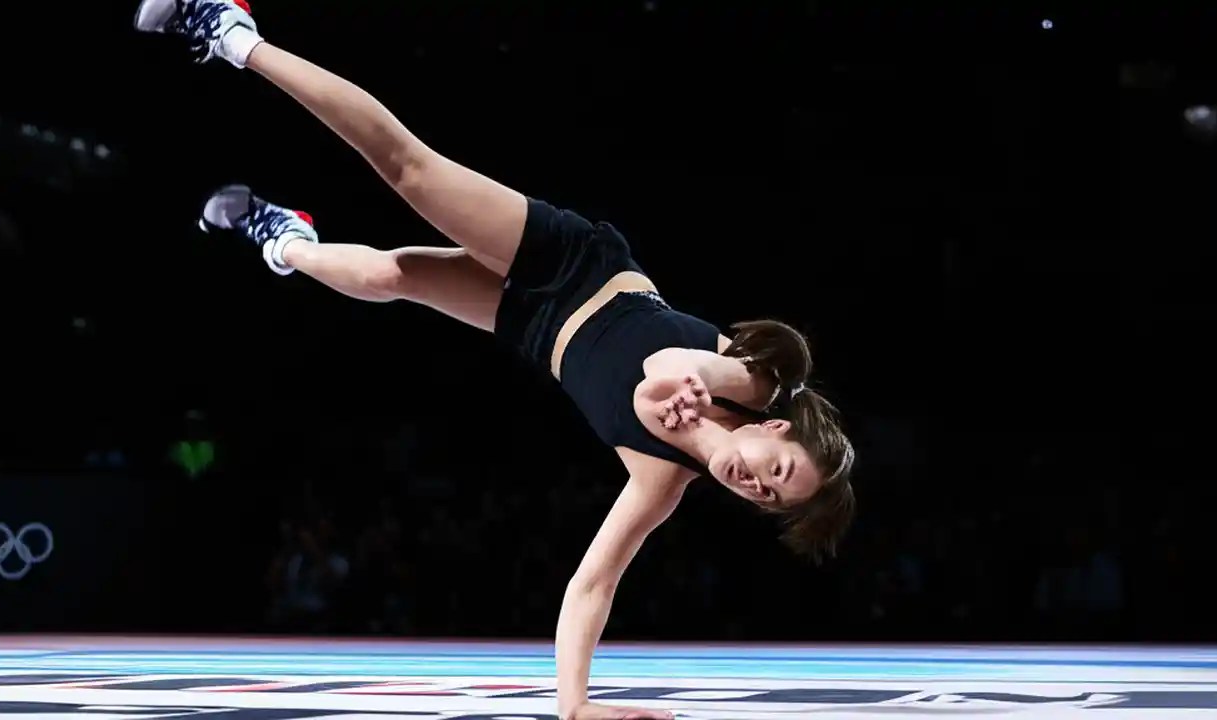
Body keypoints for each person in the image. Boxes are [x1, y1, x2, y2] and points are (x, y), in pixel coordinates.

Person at [135, 2, 856, 718]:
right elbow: (665, 368)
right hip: (577, 267)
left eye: (768, 500)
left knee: (388, 279)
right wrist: (694, 388)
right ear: (777, 431)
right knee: (411, 171)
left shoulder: (660, 482)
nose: (758, 486)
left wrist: (576, 706)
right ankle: (230, 32)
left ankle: (281, 239)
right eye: (778, 473)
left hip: (535, 330)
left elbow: (591, 586)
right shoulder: (756, 379)